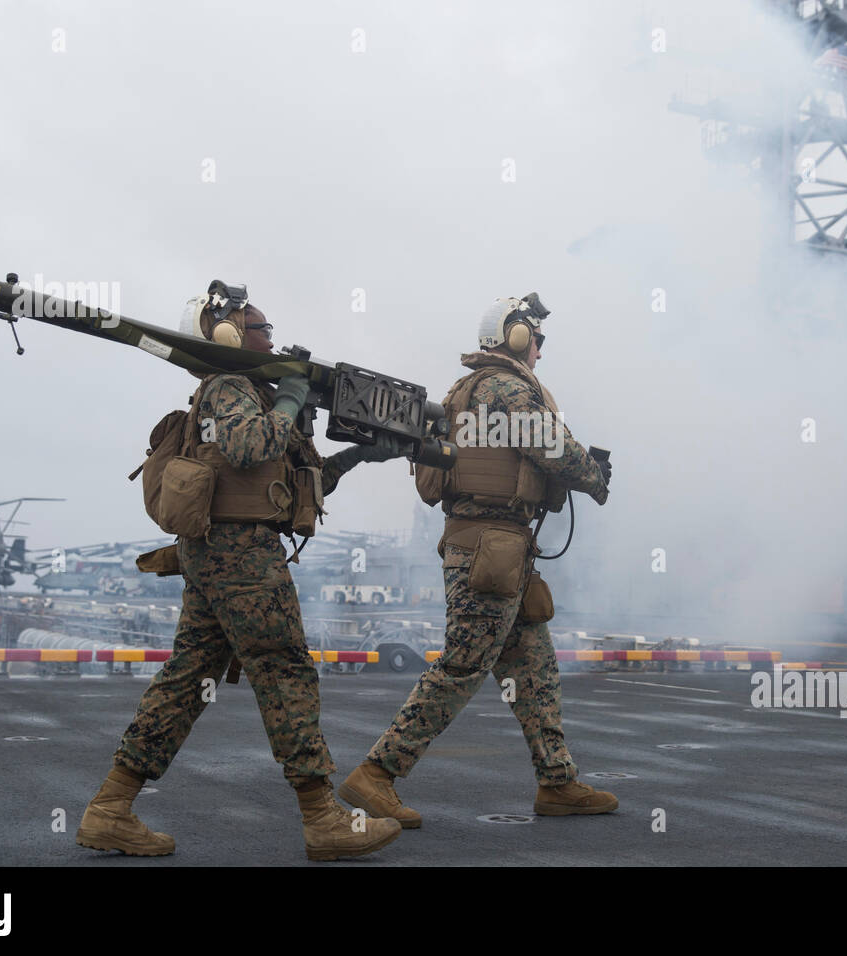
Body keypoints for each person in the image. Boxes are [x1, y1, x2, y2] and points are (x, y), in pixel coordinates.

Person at [76, 283, 406, 861]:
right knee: (285, 671)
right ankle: (322, 817)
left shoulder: (247, 393)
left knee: (186, 681)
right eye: (261, 328)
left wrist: (358, 455)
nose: (270, 338)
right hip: (241, 557)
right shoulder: (231, 387)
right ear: (226, 333)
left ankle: (109, 809)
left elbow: (298, 482)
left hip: (220, 553)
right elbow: (252, 445)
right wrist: (291, 397)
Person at [338, 293, 616, 828]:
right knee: (462, 666)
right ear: (516, 336)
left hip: (501, 548)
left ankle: (557, 782)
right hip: (490, 547)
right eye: (537, 339)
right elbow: (550, 444)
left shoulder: (465, 391)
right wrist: (594, 477)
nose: (540, 351)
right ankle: (376, 774)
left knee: (533, 670)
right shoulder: (504, 387)